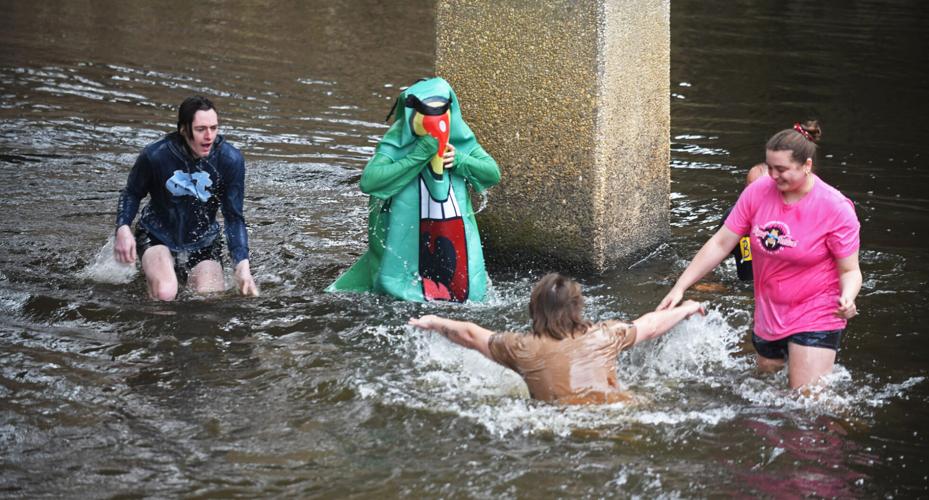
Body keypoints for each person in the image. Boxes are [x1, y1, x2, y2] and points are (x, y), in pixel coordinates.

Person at [657, 124, 861, 389]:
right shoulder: (757, 191)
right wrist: (680, 286)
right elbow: (720, 243)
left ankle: (839, 423)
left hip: (816, 310)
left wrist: (848, 297)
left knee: (805, 400)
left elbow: (849, 270)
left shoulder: (835, 207)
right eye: (770, 167)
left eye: (782, 169)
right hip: (769, 311)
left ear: (806, 165)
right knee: (766, 392)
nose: (773, 176)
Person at [327, 77, 501, 302]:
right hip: (406, 241)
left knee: (464, 290)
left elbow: (492, 173)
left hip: (452, 235)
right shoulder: (397, 142)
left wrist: (460, 160)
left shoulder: (459, 140)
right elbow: (369, 181)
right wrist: (416, 157)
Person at [409, 273, 706, 404]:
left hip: (557, 421)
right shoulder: (606, 334)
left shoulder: (520, 347)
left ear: (533, 309)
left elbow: (471, 334)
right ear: (578, 307)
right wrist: (687, 308)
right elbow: (651, 325)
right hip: (621, 411)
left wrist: (434, 321)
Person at [113, 96, 258, 301]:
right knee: (165, 292)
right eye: (200, 129)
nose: (209, 136)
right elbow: (131, 193)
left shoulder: (230, 160)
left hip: (203, 241)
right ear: (183, 129)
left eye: (214, 128)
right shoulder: (155, 155)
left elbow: (234, 217)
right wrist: (123, 227)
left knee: (208, 297)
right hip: (157, 235)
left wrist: (242, 266)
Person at [724, 120, 823, 282]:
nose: (755, 196)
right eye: (749, 190)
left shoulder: (822, 209)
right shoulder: (736, 215)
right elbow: (718, 247)